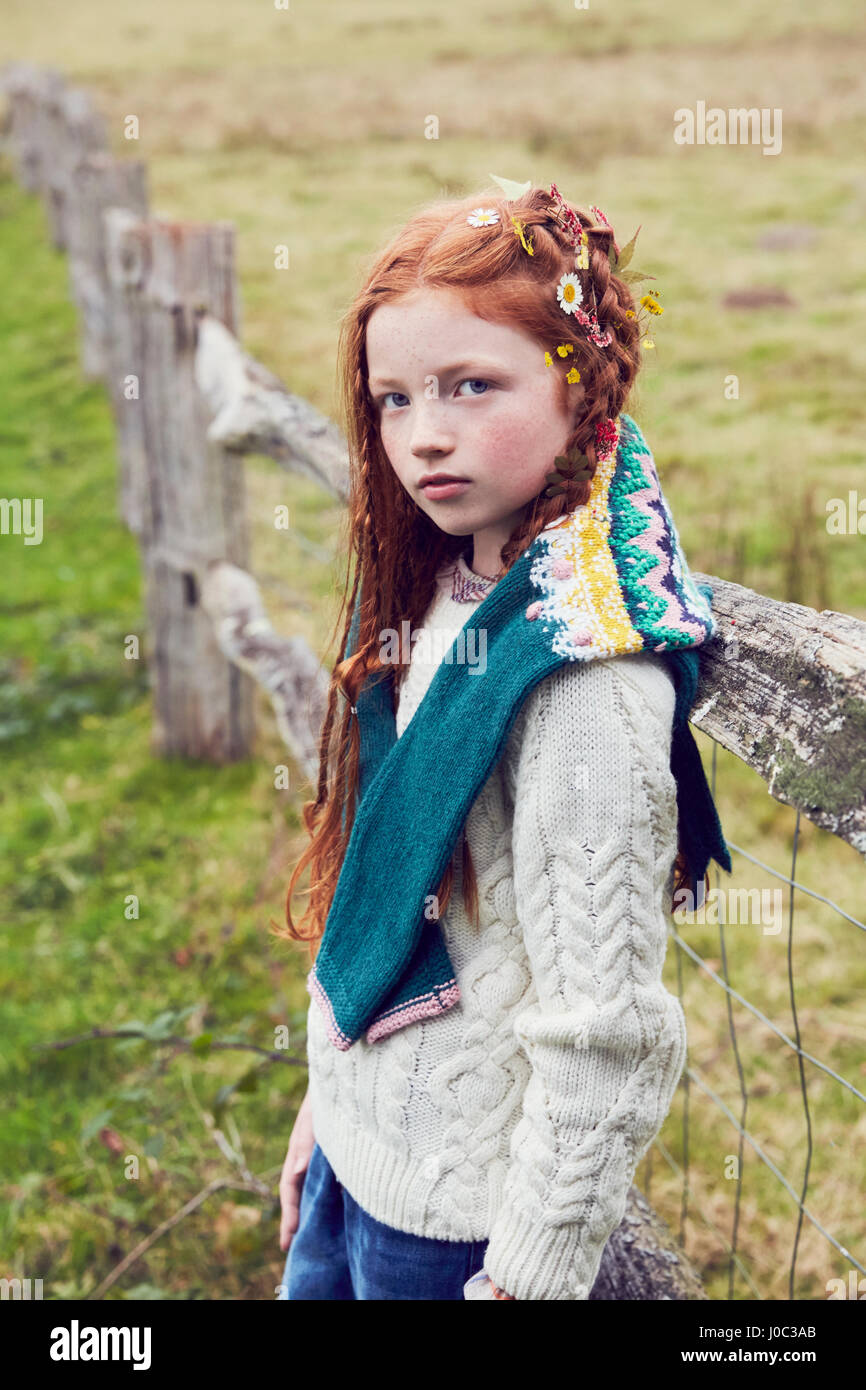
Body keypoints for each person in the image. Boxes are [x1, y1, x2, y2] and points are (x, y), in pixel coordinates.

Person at [272, 177, 731, 1300]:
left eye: (471, 386)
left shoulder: (579, 679)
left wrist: (522, 1281)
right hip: (355, 1159)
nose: (422, 437)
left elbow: (604, 1038)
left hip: (455, 1233)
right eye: (391, 400)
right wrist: (324, 1114)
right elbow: (384, 895)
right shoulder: (430, 590)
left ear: (582, 392)